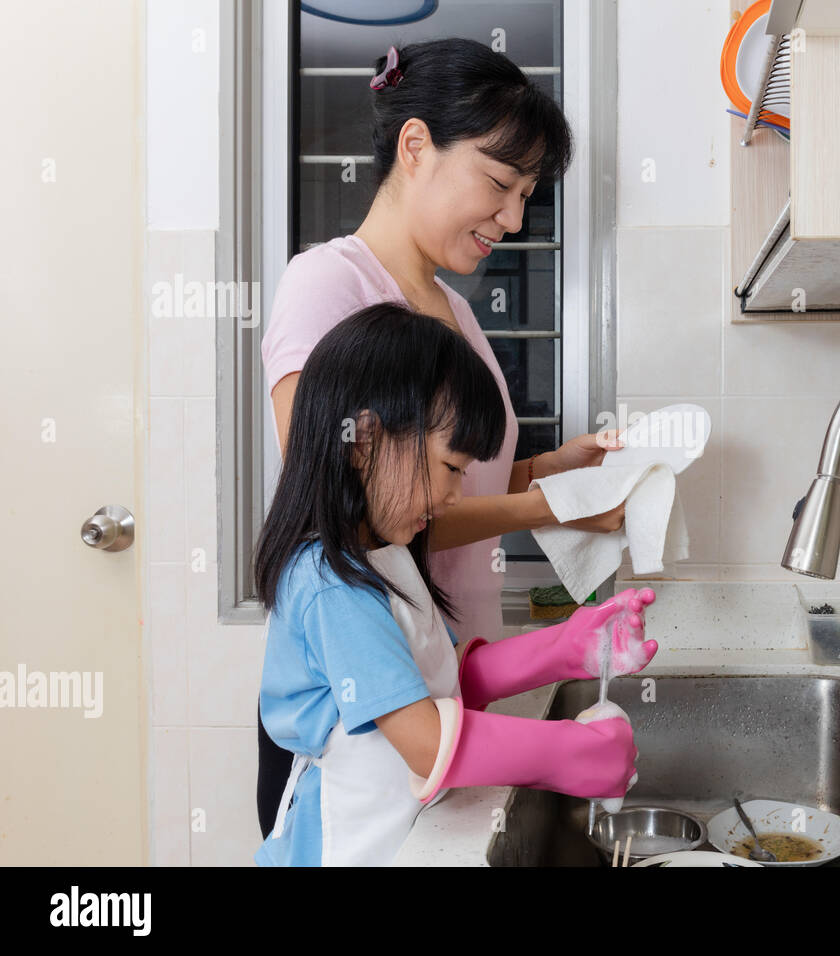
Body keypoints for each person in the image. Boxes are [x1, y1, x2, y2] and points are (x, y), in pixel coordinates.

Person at [257, 38, 625, 837]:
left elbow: (453, 474)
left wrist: (547, 471)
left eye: (528, 194)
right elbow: (345, 504)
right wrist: (546, 507)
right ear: (416, 146)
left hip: (439, 673)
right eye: (499, 183)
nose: (514, 217)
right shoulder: (330, 283)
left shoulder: (454, 312)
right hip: (376, 716)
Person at [254, 303, 656, 866]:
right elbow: (422, 738)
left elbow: (443, 679)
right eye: (450, 467)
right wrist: (567, 753)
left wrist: (565, 647)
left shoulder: (385, 556)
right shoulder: (328, 584)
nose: (454, 496)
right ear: (365, 439)